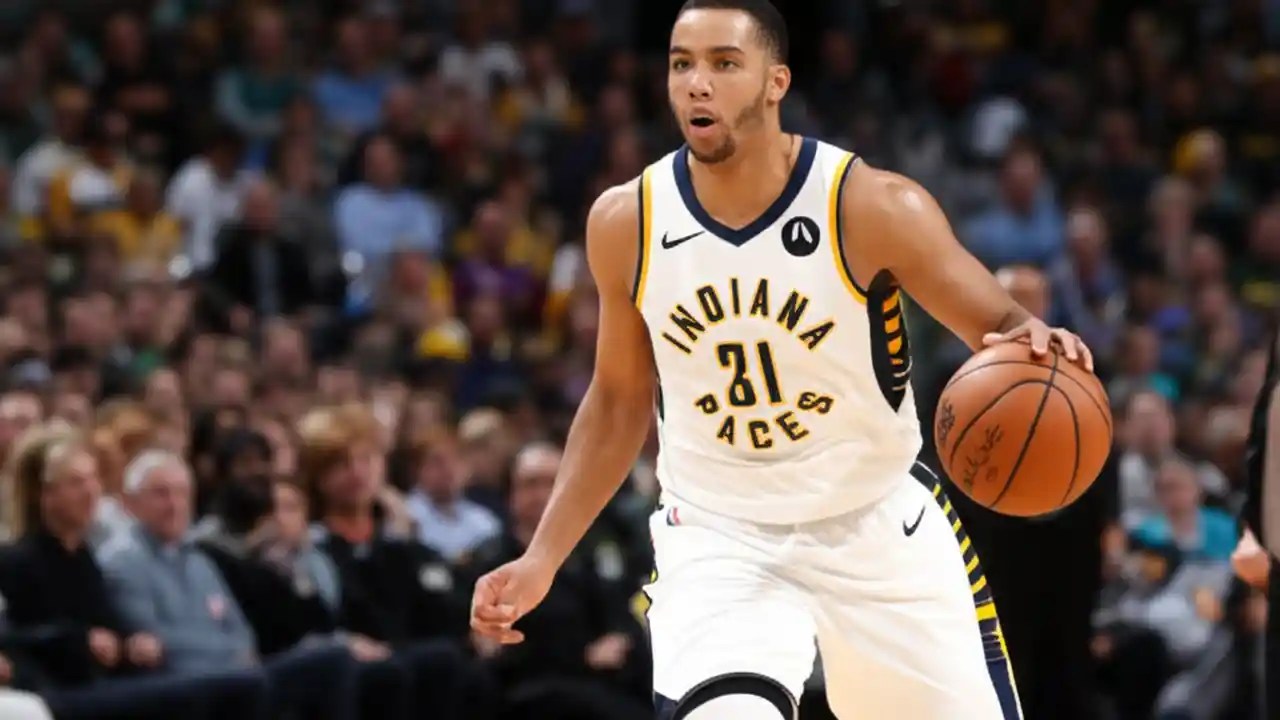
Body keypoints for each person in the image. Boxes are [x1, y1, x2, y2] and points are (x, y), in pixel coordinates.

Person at [469, 2, 1093, 719]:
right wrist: (542, 556)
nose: (696, 83)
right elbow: (616, 401)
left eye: (723, 64)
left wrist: (1040, 346)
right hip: (720, 534)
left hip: (876, 523)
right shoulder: (626, 222)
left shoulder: (870, 205)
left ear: (775, 82)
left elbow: (1002, 325)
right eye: (682, 64)